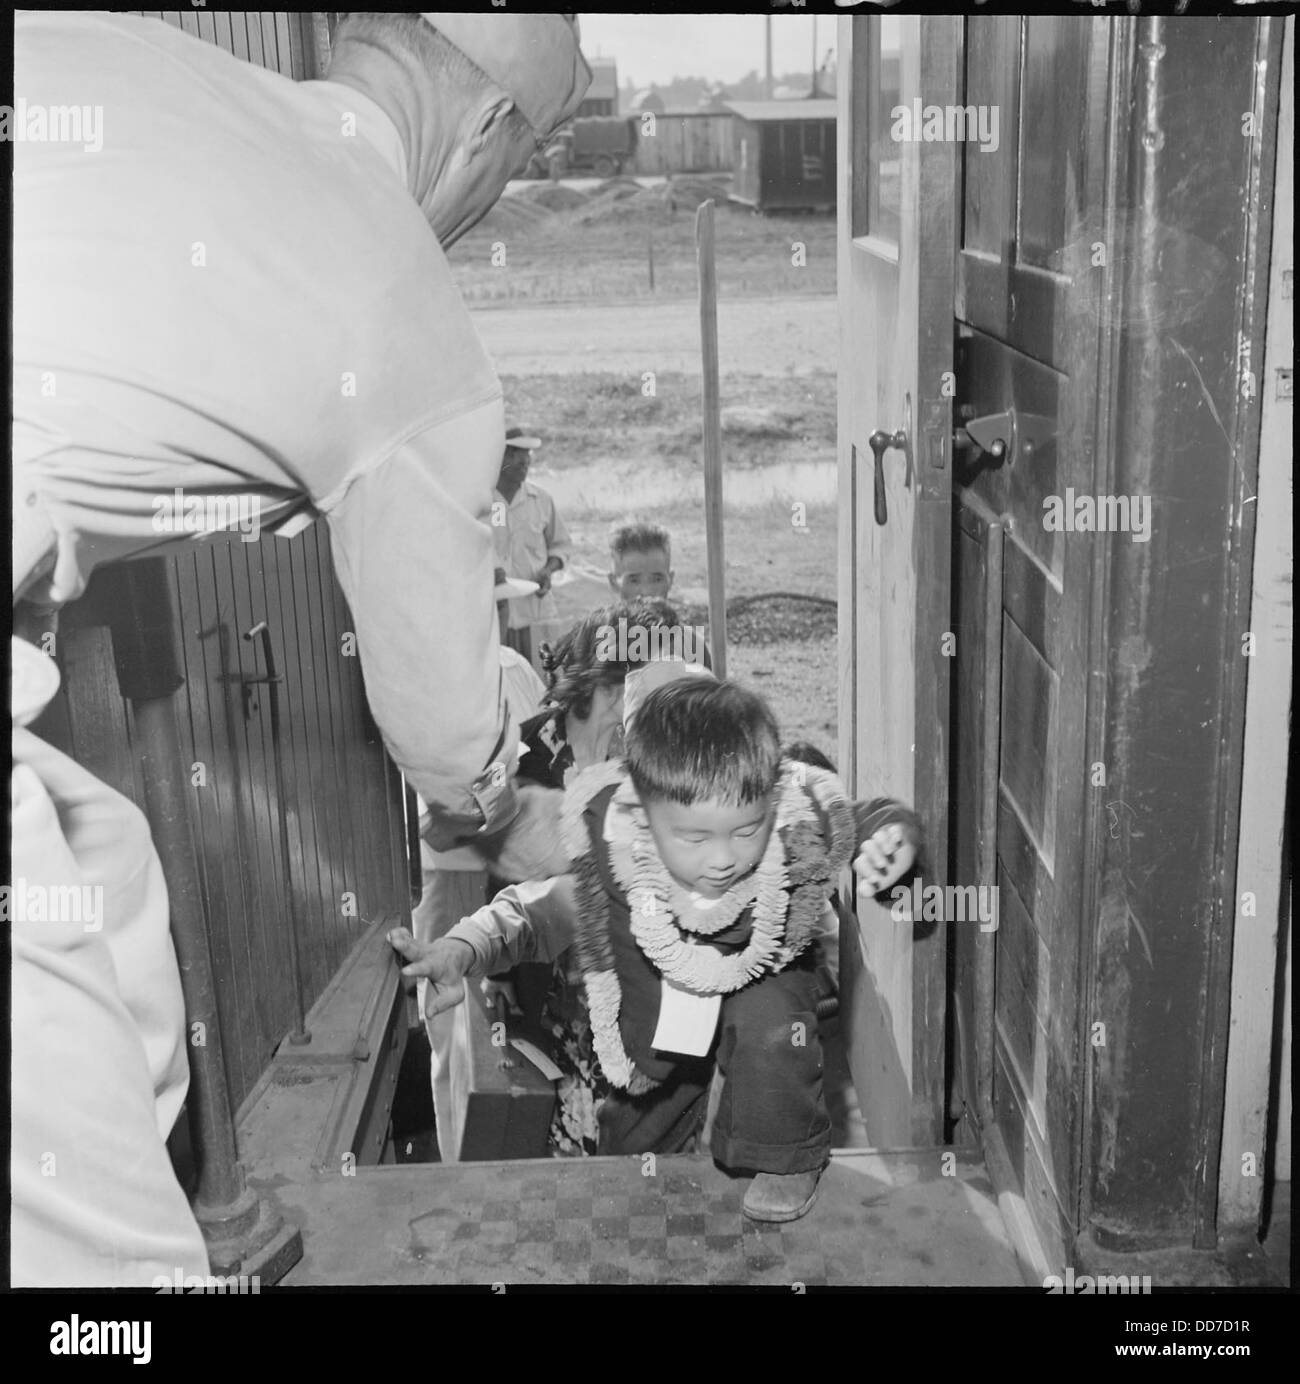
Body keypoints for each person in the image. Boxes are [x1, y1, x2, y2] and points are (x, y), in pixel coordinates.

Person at [12, 10, 590, 1285]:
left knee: (107, 879)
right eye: (516, 168)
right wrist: (519, 803)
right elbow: (443, 742)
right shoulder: (409, 306)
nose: (492, 202)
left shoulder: (145, 62)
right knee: (95, 1243)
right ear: (489, 131)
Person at [391, 677, 923, 1221]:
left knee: (770, 1016)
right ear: (644, 811)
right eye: (695, 837)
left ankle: (785, 1155)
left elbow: (855, 817)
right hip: (660, 1023)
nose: (723, 859)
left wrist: (891, 837)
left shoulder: (786, 821)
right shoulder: (615, 840)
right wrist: (459, 947)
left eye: (745, 831)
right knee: (633, 1151)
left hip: (760, 981)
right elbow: (526, 891)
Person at [413, 641, 547, 1162]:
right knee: (454, 1034)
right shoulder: (423, 674)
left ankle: (516, 1156)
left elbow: (544, 767)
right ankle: (459, 1167)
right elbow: (435, 820)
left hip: (515, 876)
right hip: (449, 878)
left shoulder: (512, 666)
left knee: (514, 1040)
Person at [492, 426, 572, 673]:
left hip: (535, 611)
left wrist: (548, 570)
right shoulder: (483, 502)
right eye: (514, 452)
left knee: (542, 681)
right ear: (496, 455)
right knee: (503, 681)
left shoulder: (541, 500)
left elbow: (561, 546)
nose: (523, 460)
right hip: (497, 616)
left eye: (527, 453)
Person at [607, 521, 675, 603]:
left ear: (670, 580)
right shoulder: (604, 615)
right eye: (634, 581)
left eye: (657, 580)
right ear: (613, 583)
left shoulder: (688, 614)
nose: (646, 592)